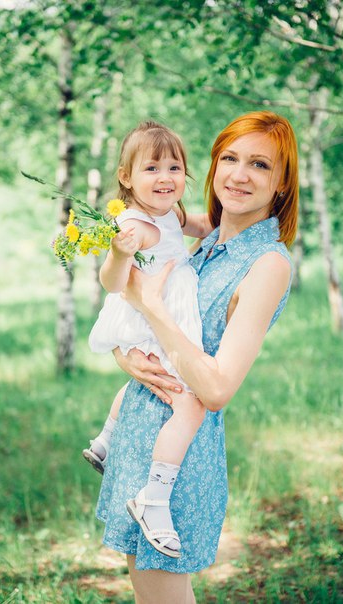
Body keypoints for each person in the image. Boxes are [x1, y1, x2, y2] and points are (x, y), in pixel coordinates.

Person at [95, 111, 299, 604]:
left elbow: (217, 387)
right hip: (141, 435)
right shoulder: (207, 240)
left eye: (259, 164)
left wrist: (149, 305)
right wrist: (126, 356)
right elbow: (140, 315)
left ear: (282, 182)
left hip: (178, 461)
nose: (239, 174)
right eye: (229, 158)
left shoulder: (266, 263)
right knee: (148, 593)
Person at [83, 121, 214, 557]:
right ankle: (153, 498)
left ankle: (105, 440)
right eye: (152, 168)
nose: (165, 177)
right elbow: (112, 282)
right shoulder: (135, 226)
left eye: (174, 167)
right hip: (149, 319)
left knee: (147, 379)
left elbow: (201, 224)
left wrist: (239, 219)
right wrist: (119, 253)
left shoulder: (170, 214)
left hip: (161, 316)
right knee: (189, 403)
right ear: (126, 177)